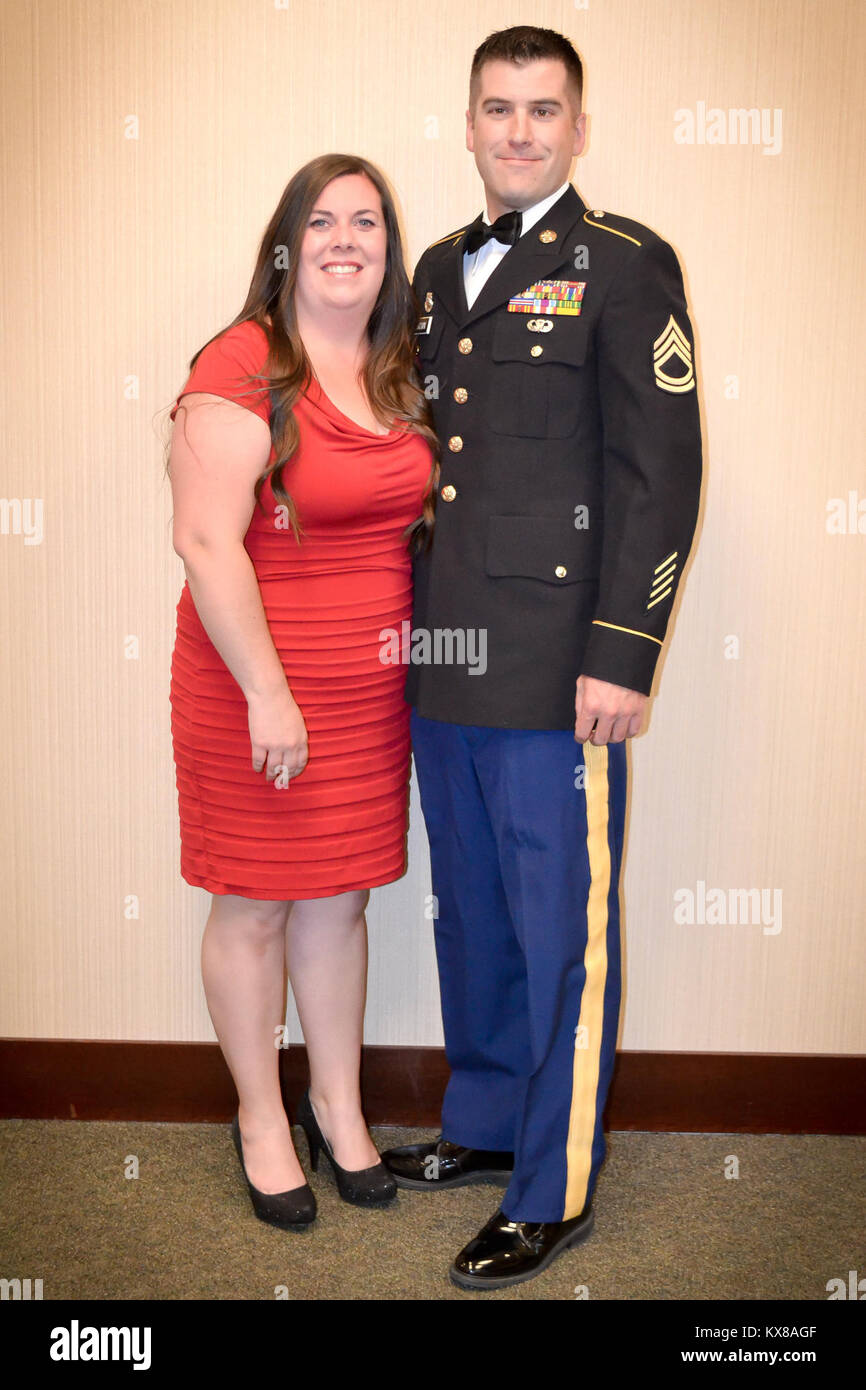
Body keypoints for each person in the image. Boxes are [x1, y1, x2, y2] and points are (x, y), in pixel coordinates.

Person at [380, 26, 703, 1289]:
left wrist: (624, 653)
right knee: (472, 917)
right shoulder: (438, 269)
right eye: (496, 108)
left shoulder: (622, 266)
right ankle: (482, 1126)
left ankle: (551, 1183)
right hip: (444, 658)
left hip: (562, 673)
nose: (517, 130)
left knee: (559, 925)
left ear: (577, 128)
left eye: (542, 109)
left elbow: (657, 470)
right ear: (465, 124)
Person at [166, 154, 437, 1228]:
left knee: (340, 899)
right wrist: (270, 695)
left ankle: (336, 1104)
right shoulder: (243, 362)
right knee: (255, 906)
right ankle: (260, 1118)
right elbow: (202, 538)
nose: (343, 240)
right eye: (319, 221)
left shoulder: (395, 366)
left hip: (367, 695)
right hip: (254, 683)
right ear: (285, 245)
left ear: (387, 248)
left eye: (365, 223)